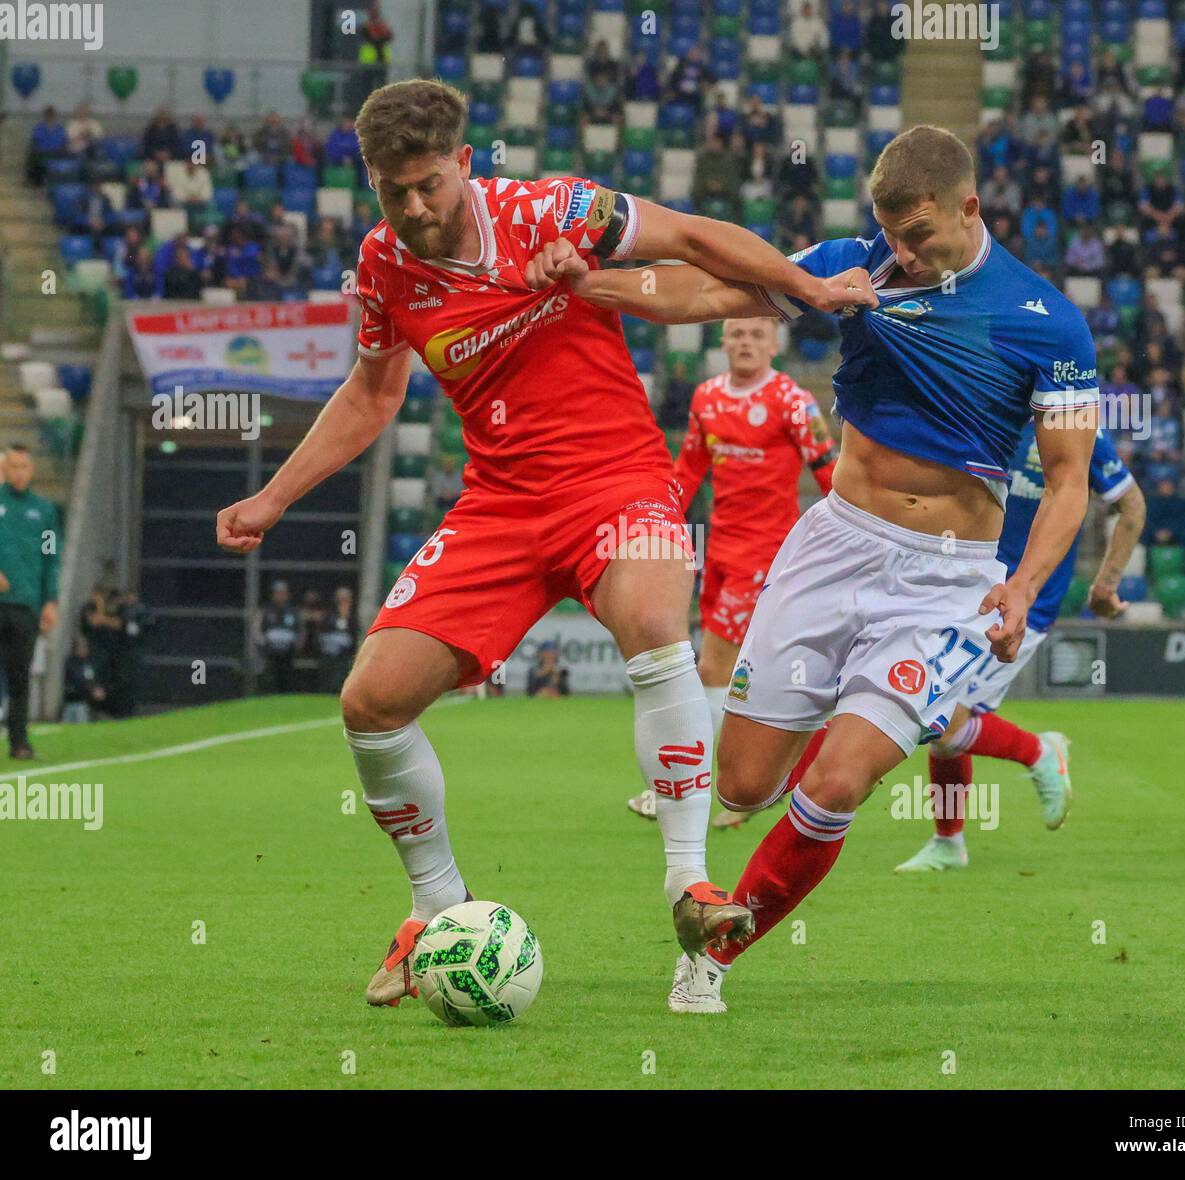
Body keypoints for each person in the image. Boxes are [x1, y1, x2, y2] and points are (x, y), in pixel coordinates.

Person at [214, 78, 866, 1011]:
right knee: (369, 701)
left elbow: (686, 235)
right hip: (501, 506)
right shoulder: (383, 267)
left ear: (466, 164)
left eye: (428, 185)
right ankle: (437, 907)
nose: (411, 207)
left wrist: (799, 287)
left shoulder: (549, 208)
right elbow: (371, 395)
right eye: (390, 189)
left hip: (616, 479)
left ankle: (689, 885)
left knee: (651, 617)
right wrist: (272, 498)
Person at [527, 124, 1099, 1013]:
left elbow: (1068, 482)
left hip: (947, 579)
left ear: (969, 209)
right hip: (832, 547)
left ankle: (715, 953)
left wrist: (1022, 585)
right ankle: (871, 713)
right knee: (747, 783)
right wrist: (590, 283)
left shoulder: (1046, 322)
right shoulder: (850, 265)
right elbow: (707, 295)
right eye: (890, 234)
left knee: (838, 780)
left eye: (919, 236)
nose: (901, 254)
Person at [896, 425, 1145, 871]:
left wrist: (1106, 583)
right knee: (942, 721)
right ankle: (948, 843)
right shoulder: (985, 410)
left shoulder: (1076, 427)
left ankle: (1038, 752)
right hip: (965, 587)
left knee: (941, 719)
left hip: (1024, 602)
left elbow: (1132, 506)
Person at [627, 317, 837, 826]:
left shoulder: (792, 401)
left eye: (756, 335)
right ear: (721, 342)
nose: (745, 342)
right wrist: (654, 517)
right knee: (742, 674)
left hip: (766, 556)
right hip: (718, 550)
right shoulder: (707, 397)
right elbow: (689, 468)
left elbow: (829, 471)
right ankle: (752, 786)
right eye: (736, 334)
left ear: (774, 345)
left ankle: (687, 788)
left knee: (712, 668)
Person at [0, 445, 61, 760]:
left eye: (24, 466)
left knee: (19, 676)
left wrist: (51, 599)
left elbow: (51, 555)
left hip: (26, 604)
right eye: (14, 466)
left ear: (31, 469)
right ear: (4, 469)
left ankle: (19, 742)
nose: (19, 472)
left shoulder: (44, 511)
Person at [257, 580, 301, 693]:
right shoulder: (266, 610)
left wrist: (297, 644)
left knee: (287, 677)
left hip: (288, 651)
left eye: (283, 593)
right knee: (271, 677)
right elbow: (257, 629)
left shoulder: (293, 611)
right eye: (277, 593)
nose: (280, 596)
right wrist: (263, 642)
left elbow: (300, 630)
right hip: (271, 651)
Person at [318, 586, 357, 693]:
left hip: (344, 654)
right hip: (329, 651)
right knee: (327, 674)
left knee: (341, 674)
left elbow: (353, 634)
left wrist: (346, 617)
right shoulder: (329, 615)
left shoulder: (353, 618)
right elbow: (323, 631)